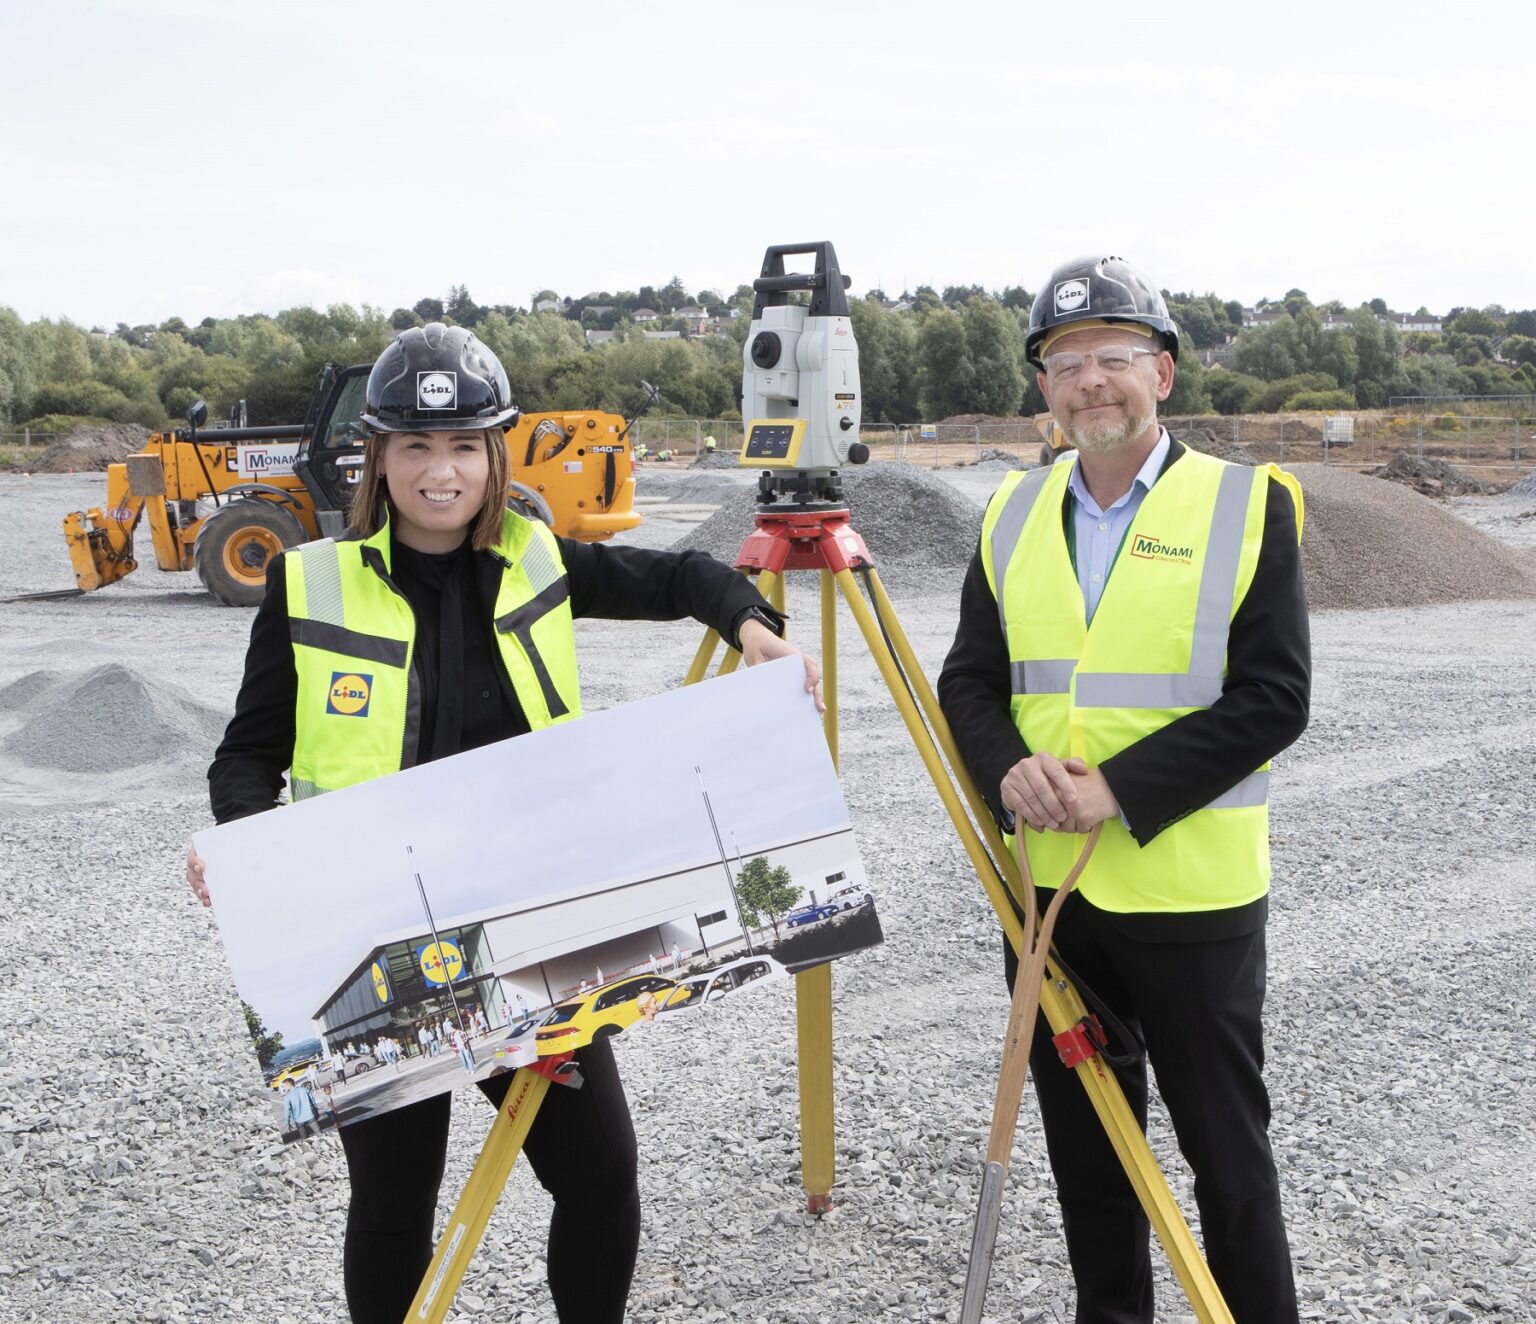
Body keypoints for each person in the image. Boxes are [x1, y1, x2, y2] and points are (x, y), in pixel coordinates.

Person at [186, 322, 821, 1324]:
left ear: (495, 456)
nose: (441, 473)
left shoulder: (540, 561)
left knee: (602, 1174)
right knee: (396, 1202)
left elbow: (686, 576)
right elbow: (247, 754)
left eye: (465, 447)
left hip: (533, 933)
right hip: (377, 941)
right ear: (378, 458)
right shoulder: (304, 584)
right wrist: (241, 840)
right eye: (417, 448)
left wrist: (757, 629)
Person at [937, 256, 1309, 1324]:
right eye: (1065, 363)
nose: (1090, 381)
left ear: (1164, 374)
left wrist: (1120, 791)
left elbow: (1275, 698)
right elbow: (969, 680)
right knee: (1092, 1165)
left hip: (1191, 902)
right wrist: (1004, 764)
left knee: (1227, 1163)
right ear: (1044, 388)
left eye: (1113, 358)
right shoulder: (1009, 513)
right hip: (1051, 899)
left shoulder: (1247, 506)